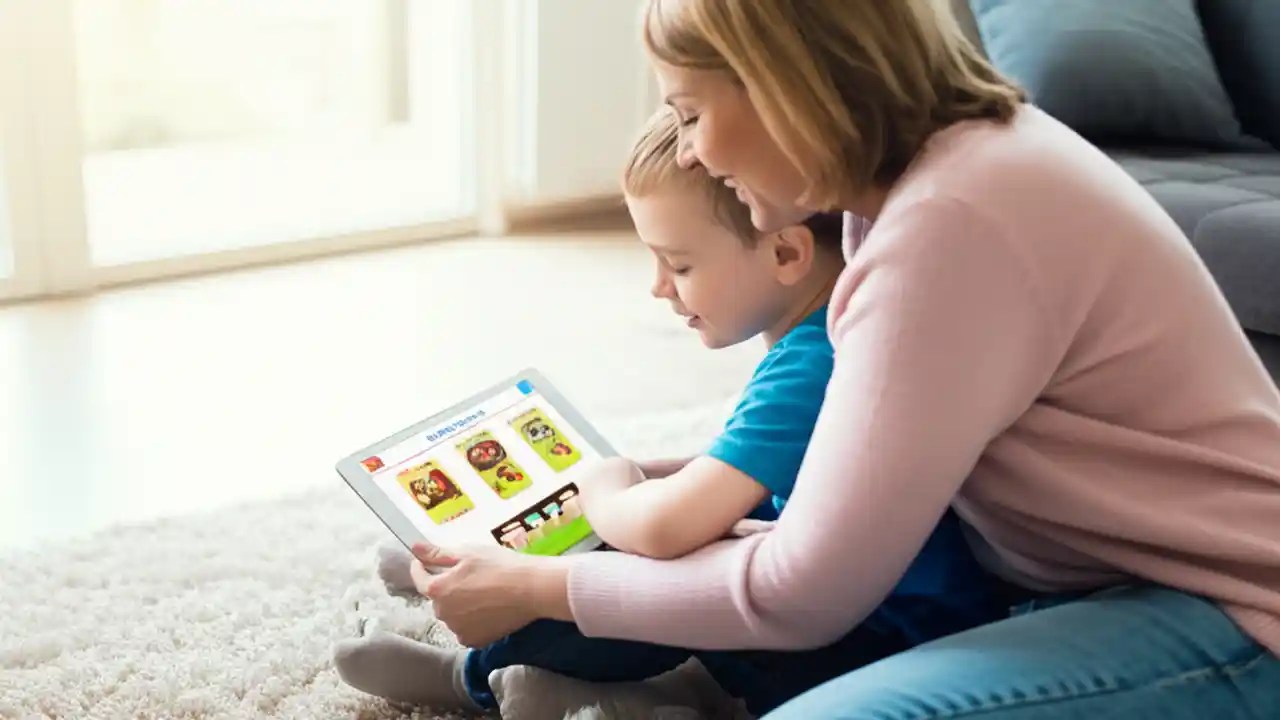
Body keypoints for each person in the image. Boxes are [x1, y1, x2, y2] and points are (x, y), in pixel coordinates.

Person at [407, 1, 1280, 717]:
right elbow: (848, 477)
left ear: (786, 85)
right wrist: (654, 487)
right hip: (1113, 587)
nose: (695, 151)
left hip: (1234, 610)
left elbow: (799, 595)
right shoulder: (917, 189)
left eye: (690, 111)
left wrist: (547, 586)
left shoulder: (949, 223)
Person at [333, 108, 1007, 718]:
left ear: (785, 253)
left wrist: (607, 491)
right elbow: (793, 466)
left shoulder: (817, 362)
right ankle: (504, 594)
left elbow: (661, 530)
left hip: (878, 646)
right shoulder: (834, 330)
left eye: (677, 264)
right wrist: (667, 474)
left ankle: (469, 677)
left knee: (631, 557)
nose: (657, 287)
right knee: (640, 534)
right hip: (871, 609)